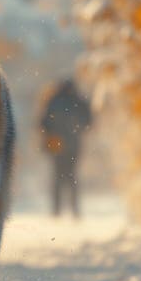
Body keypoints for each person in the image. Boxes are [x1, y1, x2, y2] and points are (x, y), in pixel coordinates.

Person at [39, 77, 92, 217]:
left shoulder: (53, 100)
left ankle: (56, 210)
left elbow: (43, 123)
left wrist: (50, 133)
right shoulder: (79, 101)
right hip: (74, 144)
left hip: (56, 144)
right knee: (72, 176)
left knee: (57, 177)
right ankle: (75, 210)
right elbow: (89, 122)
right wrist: (77, 129)